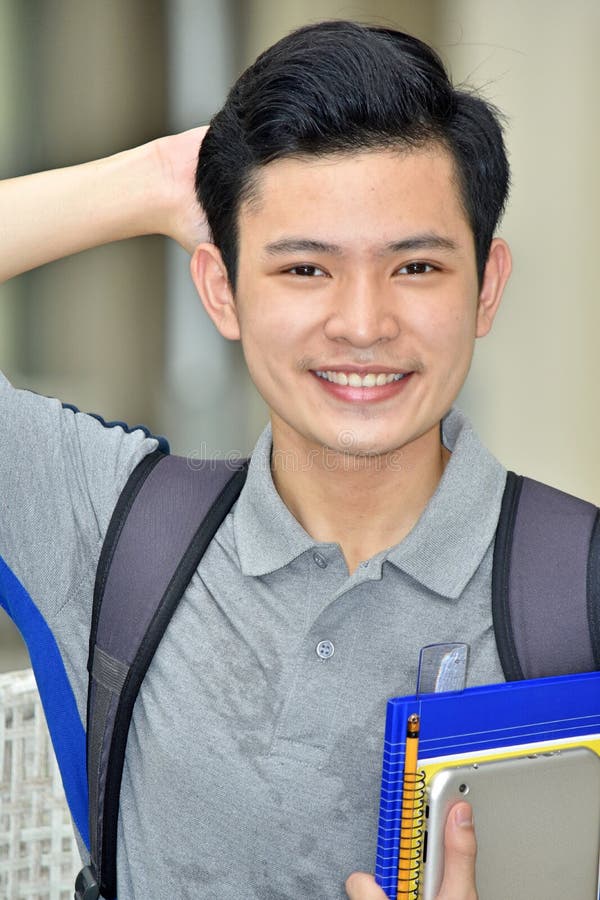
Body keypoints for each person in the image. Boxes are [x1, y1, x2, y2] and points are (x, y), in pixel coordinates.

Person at [0, 19, 516, 899]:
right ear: (220, 289)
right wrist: (153, 178)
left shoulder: (574, 589)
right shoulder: (109, 524)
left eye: (417, 266)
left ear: (486, 288)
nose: (362, 323)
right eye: (305, 269)